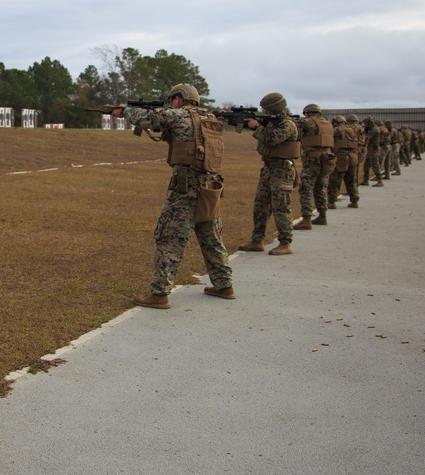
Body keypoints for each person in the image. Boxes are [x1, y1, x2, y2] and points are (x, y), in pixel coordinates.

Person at [111, 84, 233, 309]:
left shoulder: (179, 115)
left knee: (168, 238)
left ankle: (159, 294)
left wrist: (125, 111)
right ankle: (224, 285)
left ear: (179, 99)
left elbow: (150, 120)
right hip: (211, 188)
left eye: (172, 100)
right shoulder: (210, 119)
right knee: (211, 237)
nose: (170, 103)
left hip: (187, 190)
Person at [237, 92, 300, 255]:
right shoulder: (271, 122)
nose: (264, 112)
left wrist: (256, 126)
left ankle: (285, 243)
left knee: (281, 207)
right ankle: (257, 240)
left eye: (266, 109)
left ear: (274, 108)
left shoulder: (287, 124)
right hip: (268, 169)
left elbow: (272, 139)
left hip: (282, 170)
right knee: (260, 206)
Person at [293, 104, 335, 230]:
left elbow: (295, 124)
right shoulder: (328, 124)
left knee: (306, 188)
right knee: (320, 187)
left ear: (308, 113)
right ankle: (322, 216)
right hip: (326, 159)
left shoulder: (309, 122)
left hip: (313, 159)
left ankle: (306, 219)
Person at [327, 115, 360, 209]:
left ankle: (331, 202)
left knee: (335, 180)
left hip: (341, 157)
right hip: (353, 156)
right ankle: (354, 201)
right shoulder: (351, 130)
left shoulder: (336, 130)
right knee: (351, 180)